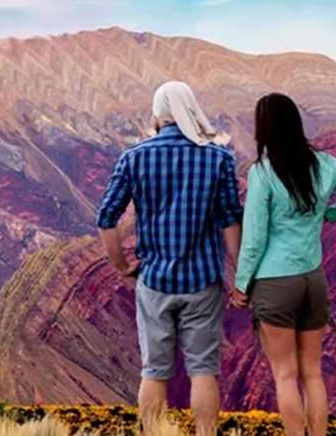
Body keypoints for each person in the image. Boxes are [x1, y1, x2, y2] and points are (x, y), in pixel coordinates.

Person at [96, 81, 243, 436]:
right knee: (203, 370)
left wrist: (121, 267)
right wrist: (240, 277)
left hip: (154, 281)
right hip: (203, 282)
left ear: (158, 115)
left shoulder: (134, 157)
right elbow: (229, 221)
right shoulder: (218, 158)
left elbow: (106, 218)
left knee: (154, 371)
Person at [231, 93, 336, 436]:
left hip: (275, 283)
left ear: (264, 129)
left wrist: (241, 285)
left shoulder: (263, 173)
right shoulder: (326, 164)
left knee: (285, 374)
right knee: (313, 372)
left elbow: (254, 238)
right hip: (314, 279)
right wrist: (330, 214)